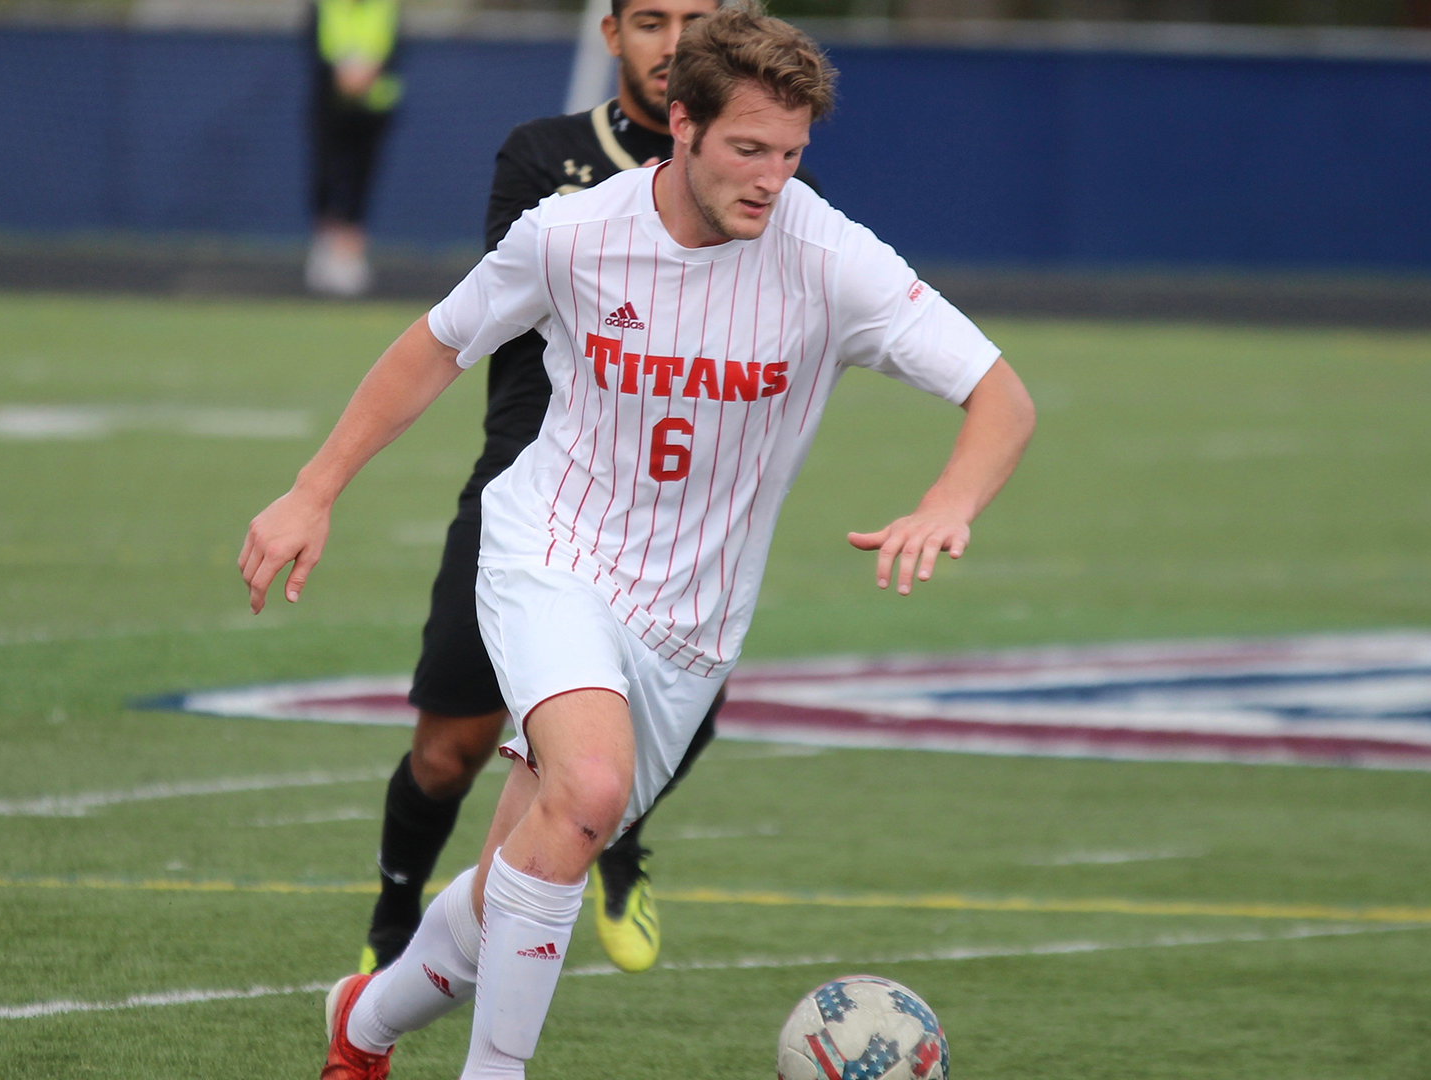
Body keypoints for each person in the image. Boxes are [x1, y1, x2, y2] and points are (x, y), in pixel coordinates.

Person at [239, 10, 1035, 1078]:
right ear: (682, 123)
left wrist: (952, 501)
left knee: (517, 881)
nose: (771, 178)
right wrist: (311, 489)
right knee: (591, 793)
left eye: (791, 154)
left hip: (691, 628)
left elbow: (1000, 394)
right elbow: (437, 345)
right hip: (552, 551)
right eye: (748, 149)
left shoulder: (829, 256)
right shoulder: (572, 231)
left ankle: (362, 1024)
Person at [358, 0, 732, 984]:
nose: (676, 43)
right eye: (651, 20)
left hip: (668, 518)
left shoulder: (761, 175)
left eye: (699, 19)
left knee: (668, 723)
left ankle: (616, 834)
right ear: (611, 35)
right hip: (533, 495)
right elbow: (504, 314)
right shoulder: (544, 159)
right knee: (450, 751)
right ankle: (396, 914)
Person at [305, 0, 402, 298]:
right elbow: (315, 45)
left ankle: (350, 256)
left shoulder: (384, 7)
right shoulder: (327, 6)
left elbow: (394, 48)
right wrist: (342, 72)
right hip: (331, 106)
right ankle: (325, 249)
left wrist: (368, 72)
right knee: (327, 175)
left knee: (361, 179)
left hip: (372, 109)